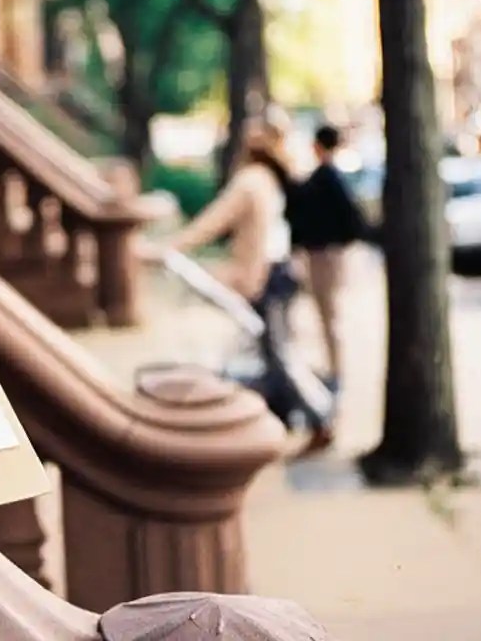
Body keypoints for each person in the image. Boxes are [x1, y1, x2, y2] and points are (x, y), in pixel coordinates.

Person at [141, 118, 334, 450]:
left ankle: (321, 415)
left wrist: (166, 248)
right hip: (279, 271)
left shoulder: (250, 181)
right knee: (273, 350)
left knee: (279, 353)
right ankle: (286, 416)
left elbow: (211, 224)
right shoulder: (270, 179)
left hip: (267, 275)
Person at [292, 124, 367, 397]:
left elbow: (351, 219)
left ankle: (336, 373)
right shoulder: (330, 177)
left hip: (325, 254)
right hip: (326, 252)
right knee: (327, 314)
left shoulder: (327, 178)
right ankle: (334, 370)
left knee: (329, 314)